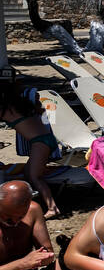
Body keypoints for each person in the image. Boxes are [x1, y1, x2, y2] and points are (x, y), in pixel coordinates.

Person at [0, 83, 62, 216]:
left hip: (39, 143)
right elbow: (47, 114)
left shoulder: (5, 110)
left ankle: (53, 208)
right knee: (28, 173)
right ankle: (33, 201)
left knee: (35, 177)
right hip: (46, 139)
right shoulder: (24, 106)